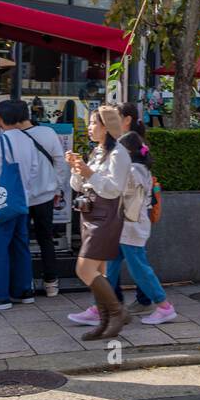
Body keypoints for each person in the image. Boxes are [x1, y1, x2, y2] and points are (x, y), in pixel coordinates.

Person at [65, 106, 131, 338]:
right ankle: (105, 321)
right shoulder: (98, 151)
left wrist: (89, 173)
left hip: (106, 215)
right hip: (90, 213)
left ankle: (117, 312)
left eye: (94, 123)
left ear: (106, 127)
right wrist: (77, 169)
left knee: (84, 269)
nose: (90, 127)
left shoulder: (119, 153)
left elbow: (114, 189)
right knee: (98, 272)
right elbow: (78, 185)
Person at [0, 101, 41, 312]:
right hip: (23, 200)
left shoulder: (0, 141)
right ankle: (23, 290)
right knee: (20, 245)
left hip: (2, 202)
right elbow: (34, 170)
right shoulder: (28, 139)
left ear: (0, 119)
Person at [107, 131, 175, 324]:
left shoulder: (134, 170)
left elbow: (122, 193)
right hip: (127, 224)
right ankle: (103, 306)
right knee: (110, 266)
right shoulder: (138, 168)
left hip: (130, 226)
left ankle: (164, 306)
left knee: (139, 268)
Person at [14, 106, 63, 297]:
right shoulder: (47, 132)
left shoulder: (12, 137)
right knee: (46, 239)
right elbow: (60, 161)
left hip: (22, 197)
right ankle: (51, 283)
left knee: (21, 240)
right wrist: (57, 186)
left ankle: (26, 283)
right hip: (46, 195)